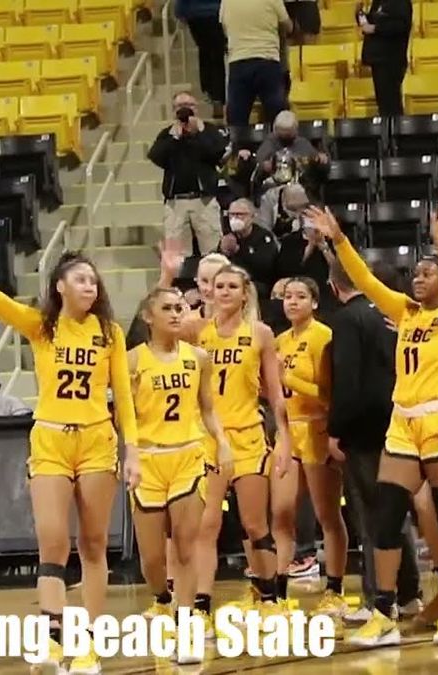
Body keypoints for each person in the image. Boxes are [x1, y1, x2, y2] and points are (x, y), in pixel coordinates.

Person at [0, 206, 140, 674]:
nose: (91, 286)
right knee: (52, 544)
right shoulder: (40, 326)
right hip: (49, 439)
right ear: (60, 287)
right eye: (81, 279)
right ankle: (52, 637)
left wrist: (135, 451)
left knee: (92, 545)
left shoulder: (109, 333)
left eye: (94, 281)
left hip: (96, 441)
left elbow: (123, 397)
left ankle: (87, 643)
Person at [310, 203, 438, 647]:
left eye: (429, 273)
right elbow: (365, 280)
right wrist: (338, 240)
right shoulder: (405, 312)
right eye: (416, 273)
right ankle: (384, 610)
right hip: (402, 424)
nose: (418, 278)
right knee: (384, 518)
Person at [128, 284, 233, 666]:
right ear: (148, 317)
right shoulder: (132, 361)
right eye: (168, 308)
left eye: (180, 307)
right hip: (148, 462)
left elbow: (207, 408)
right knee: (153, 560)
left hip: (188, 456)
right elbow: (123, 416)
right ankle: (160, 598)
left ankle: (186, 626)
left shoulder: (199, 358)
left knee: (187, 548)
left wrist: (220, 440)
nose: (176, 313)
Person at [325, 258, 423, 624]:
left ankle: (377, 597)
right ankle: (410, 594)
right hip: (400, 423)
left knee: (371, 518)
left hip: (365, 430)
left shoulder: (348, 319)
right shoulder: (392, 311)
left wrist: (335, 429)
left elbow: (347, 382)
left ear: (333, 287)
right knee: (396, 514)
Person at [192, 264, 292, 622]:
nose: (224, 291)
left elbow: (276, 395)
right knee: (206, 525)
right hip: (208, 439)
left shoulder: (261, 334)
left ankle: (269, 596)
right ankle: (201, 606)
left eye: (232, 286)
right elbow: (153, 326)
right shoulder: (198, 330)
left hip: (248, 435)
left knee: (254, 525)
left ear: (245, 293)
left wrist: (284, 438)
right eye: (219, 285)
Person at [271, 278, 349, 615]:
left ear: (314, 303)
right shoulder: (278, 341)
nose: (292, 302)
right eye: (288, 296)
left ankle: (334, 588)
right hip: (287, 433)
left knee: (327, 516)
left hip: (316, 429)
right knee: (281, 513)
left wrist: (290, 380)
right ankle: (277, 592)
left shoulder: (324, 337)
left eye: (300, 296)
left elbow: (330, 396)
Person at [150, 92, 229, 257]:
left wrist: (198, 134)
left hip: (204, 201)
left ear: (196, 108)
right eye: (180, 106)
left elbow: (218, 154)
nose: (185, 109)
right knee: (177, 256)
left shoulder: (209, 130)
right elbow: (156, 157)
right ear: (174, 111)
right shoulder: (168, 134)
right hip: (176, 203)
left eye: (189, 105)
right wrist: (175, 138)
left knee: (213, 253)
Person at [220, 0, 293, 129]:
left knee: (237, 119)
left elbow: (225, 27)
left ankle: (237, 147)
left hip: (238, 61)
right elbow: (288, 26)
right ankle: (281, 147)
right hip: (267, 60)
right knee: (278, 116)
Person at [218, 199, 281, 299]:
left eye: (240, 215)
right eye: (231, 215)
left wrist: (239, 251)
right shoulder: (229, 236)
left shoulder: (263, 237)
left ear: (252, 217)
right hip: (232, 281)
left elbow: (264, 268)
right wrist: (224, 252)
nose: (235, 218)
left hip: (258, 284)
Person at [176, 0, 227, 118]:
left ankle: (208, 89)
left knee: (204, 50)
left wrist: (180, 12)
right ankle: (217, 97)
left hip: (195, 14)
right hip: (216, 12)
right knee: (217, 56)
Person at [360, 0, 412, 117]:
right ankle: (387, 131)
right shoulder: (378, 1)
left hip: (391, 59)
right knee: (383, 103)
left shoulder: (401, 3)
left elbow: (401, 25)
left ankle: (395, 132)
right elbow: (372, 21)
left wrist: (376, 28)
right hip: (377, 59)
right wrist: (360, 15)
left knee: (391, 104)